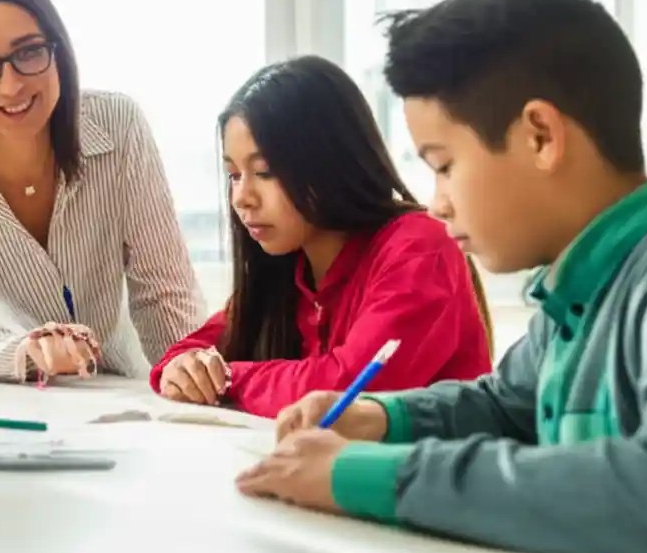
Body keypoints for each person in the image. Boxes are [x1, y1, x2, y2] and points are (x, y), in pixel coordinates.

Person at [237, 0, 647, 553]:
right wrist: (381, 417)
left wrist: (371, 476)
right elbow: (504, 406)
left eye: (443, 166)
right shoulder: (582, 289)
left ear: (540, 137)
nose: (438, 202)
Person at [0, 0, 204, 382]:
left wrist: (185, 371)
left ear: (57, 52)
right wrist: (28, 352)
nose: (10, 86)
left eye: (28, 53)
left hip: (120, 392)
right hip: (10, 400)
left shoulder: (118, 125)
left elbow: (162, 292)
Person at [150, 56, 492, 417]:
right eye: (234, 175)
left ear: (328, 162)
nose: (241, 198)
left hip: (423, 471)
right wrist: (183, 369)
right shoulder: (288, 263)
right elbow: (186, 354)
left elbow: (346, 392)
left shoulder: (419, 245)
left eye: (264, 172)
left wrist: (227, 379)